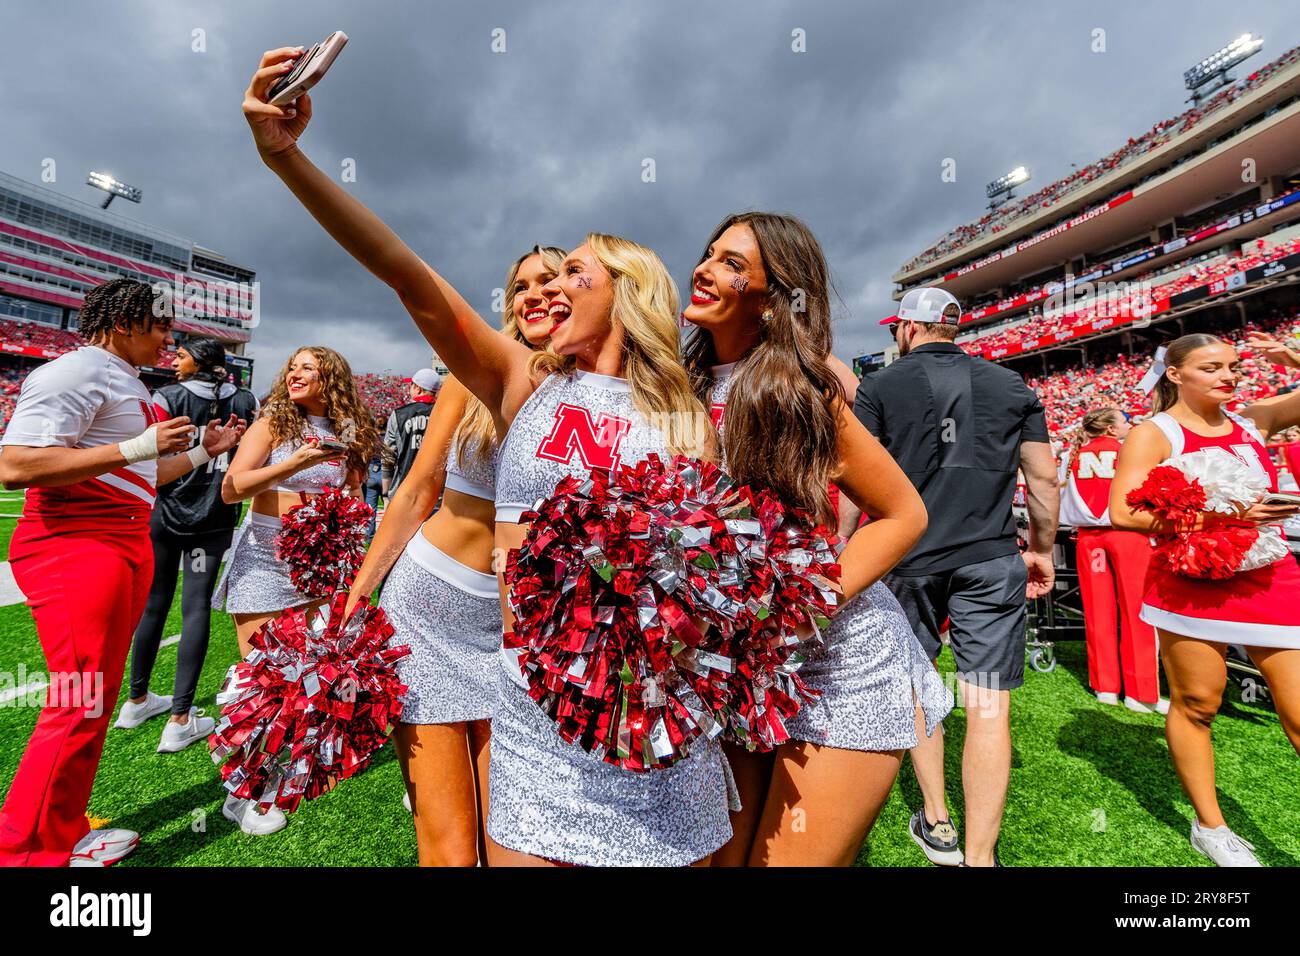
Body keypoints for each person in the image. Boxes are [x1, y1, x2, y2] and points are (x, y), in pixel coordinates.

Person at [244, 48, 729, 865]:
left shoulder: (684, 412)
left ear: (627, 288)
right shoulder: (513, 379)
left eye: (572, 272)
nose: (548, 289)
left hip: (607, 686)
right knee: (457, 841)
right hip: (491, 652)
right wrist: (287, 157)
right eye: (536, 278)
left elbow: (709, 566)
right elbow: (408, 278)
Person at [683, 212, 950, 867]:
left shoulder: (802, 392)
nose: (705, 269)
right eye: (710, 254)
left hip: (841, 665)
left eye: (733, 264)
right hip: (735, 669)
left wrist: (794, 609)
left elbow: (902, 515)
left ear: (775, 300)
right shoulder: (675, 387)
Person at [0, 277, 246, 866]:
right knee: (78, 698)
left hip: (119, 535)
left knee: (93, 698)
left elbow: (138, 477)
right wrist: (137, 448)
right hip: (77, 542)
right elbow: (15, 464)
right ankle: (29, 850)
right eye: (159, 325)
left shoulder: (124, 381)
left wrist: (201, 452)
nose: (168, 338)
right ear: (123, 322)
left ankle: (58, 828)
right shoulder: (76, 370)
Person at [345, 245, 562, 866]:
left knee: (513, 826)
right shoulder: (474, 373)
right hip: (428, 609)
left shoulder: (594, 390)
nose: (534, 294)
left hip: (516, 629)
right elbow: (417, 489)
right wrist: (363, 587)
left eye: (551, 279)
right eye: (521, 285)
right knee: (447, 840)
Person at [854, 286, 1059, 867]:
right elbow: (1043, 480)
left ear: (909, 330)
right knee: (988, 704)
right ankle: (981, 855)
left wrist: (841, 550)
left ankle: (938, 819)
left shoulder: (881, 385)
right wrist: (1041, 548)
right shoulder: (1011, 384)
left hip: (908, 557)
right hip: (991, 555)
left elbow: (853, 483)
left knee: (918, 685)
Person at [1110, 333, 1300, 867]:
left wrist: (1295, 360)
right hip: (1190, 578)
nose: (1229, 376)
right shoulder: (1155, 433)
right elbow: (1124, 514)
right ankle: (1210, 826)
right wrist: (1226, 517)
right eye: (1212, 367)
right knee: (1198, 704)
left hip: (1270, 576)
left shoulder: (1254, 421)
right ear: (1175, 374)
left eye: (1235, 367)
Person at [212, 344, 376, 836]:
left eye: (309, 366)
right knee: (261, 677)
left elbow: (350, 495)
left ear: (332, 378)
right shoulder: (274, 423)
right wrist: (295, 462)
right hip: (264, 562)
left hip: (318, 566)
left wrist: (343, 533)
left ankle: (292, 762)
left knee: (309, 672)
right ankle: (241, 794)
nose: (296, 372)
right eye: (293, 365)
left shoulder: (348, 432)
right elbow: (232, 487)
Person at [117, 337, 260, 753]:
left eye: (180, 355)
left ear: (198, 361)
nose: (173, 360)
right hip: (213, 517)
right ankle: (179, 719)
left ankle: (137, 699)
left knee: (154, 604)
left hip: (165, 513)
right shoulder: (246, 399)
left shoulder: (167, 396)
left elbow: (147, 462)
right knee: (194, 607)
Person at [1059, 407, 1165, 713]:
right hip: (1128, 534)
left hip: (1089, 538)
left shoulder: (1072, 455)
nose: (1129, 425)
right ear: (1109, 429)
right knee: (1138, 613)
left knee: (1096, 612)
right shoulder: (1129, 451)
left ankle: (1105, 685)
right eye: (1125, 422)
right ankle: (1140, 690)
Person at [382, 368, 439, 497]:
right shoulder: (444, 414)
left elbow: (388, 456)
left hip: (403, 489)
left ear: (418, 388)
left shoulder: (399, 414)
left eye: (411, 385)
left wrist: (385, 493)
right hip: (435, 490)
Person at [363, 418, 385, 542]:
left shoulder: (371, 440)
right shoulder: (387, 438)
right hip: (386, 475)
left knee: (371, 510)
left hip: (372, 473)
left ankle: (369, 539)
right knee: (388, 509)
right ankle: (384, 539)